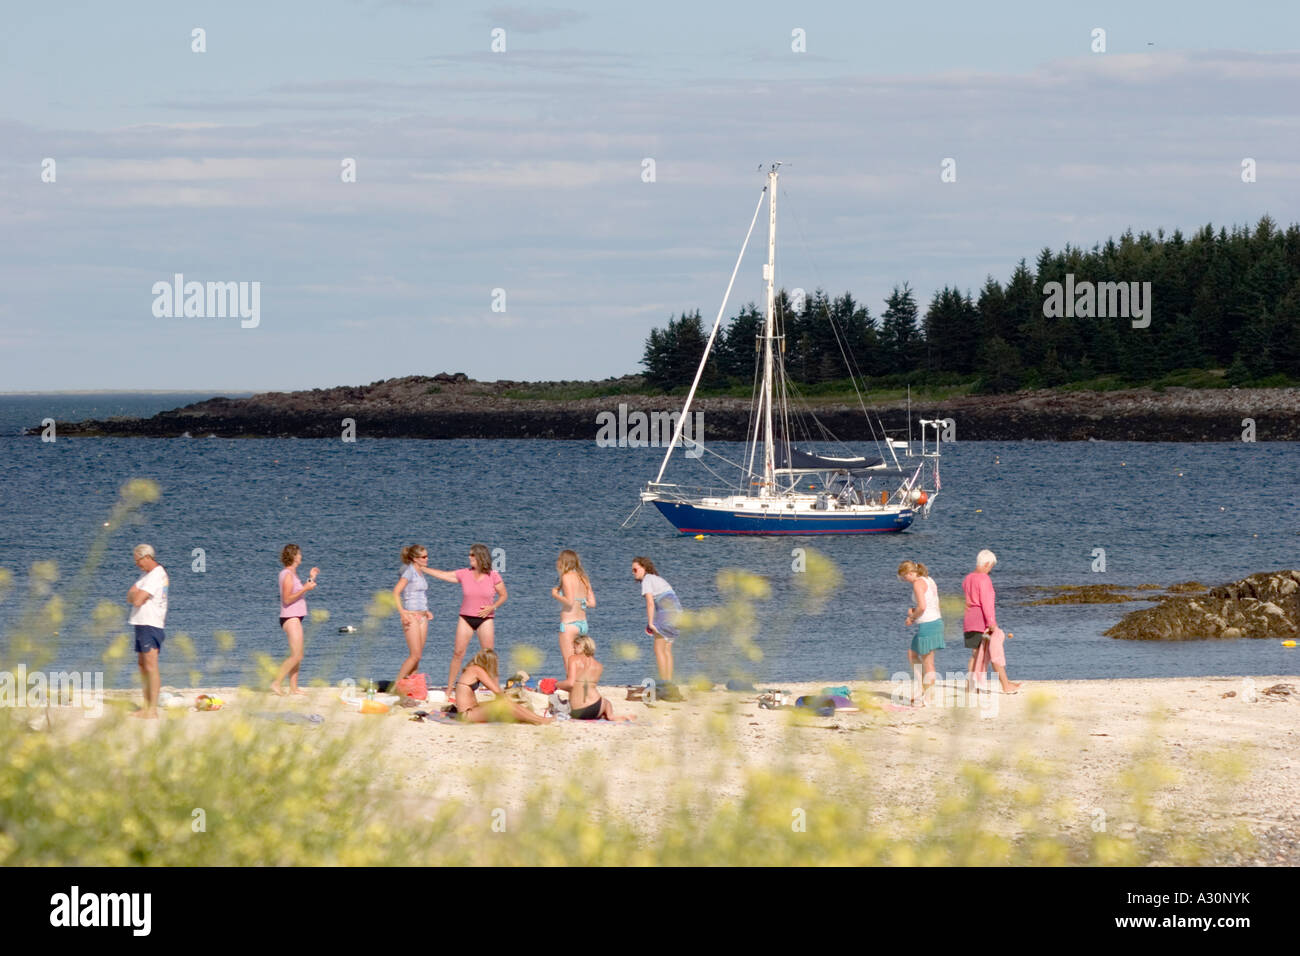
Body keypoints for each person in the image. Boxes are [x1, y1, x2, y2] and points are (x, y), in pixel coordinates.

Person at [423, 544, 506, 695]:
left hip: (485, 619)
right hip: (465, 618)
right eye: (469, 555)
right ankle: (449, 689)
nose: (469, 557)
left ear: (481, 557)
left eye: (472, 555)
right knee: (458, 653)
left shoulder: (493, 575)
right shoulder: (464, 573)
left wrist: (492, 607)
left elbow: (504, 595)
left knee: (489, 656)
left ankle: (496, 690)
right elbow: (444, 575)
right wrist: (423, 568)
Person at [962, 549, 1021, 694]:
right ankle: (1006, 685)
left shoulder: (967, 578)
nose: (990, 570)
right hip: (981, 620)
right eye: (991, 567)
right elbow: (986, 603)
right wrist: (992, 623)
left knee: (975, 654)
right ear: (987, 564)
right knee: (995, 653)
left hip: (969, 619)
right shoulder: (984, 579)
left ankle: (971, 685)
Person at [451, 649, 552, 724]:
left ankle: (538, 719)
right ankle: (539, 720)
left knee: (507, 704)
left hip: (472, 710)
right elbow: (496, 690)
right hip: (468, 714)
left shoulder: (471, 669)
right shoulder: (477, 670)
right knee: (506, 705)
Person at [126, 544, 169, 718]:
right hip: (141, 623)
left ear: (147, 557)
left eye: (138, 561)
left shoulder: (157, 575)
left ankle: (152, 710)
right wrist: (135, 595)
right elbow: (130, 595)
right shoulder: (146, 575)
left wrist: (136, 596)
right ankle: (146, 706)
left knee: (151, 666)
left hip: (151, 624)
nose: (137, 564)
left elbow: (137, 600)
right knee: (142, 666)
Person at [272, 544, 318, 696]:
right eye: (299, 554)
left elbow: (298, 590)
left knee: (299, 654)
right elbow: (287, 599)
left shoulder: (292, 573)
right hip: (289, 617)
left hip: (296, 616)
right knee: (296, 655)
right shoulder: (287, 575)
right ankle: (276, 682)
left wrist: (311, 578)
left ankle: (294, 687)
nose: (301, 556)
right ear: (293, 556)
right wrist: (305, 588)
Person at [899, 560, 943, 705]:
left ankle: (928, 696)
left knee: (928, 662)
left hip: (928, 624)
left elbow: (923, 607)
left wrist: (911, 616)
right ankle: (922, 688)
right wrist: (914, 612)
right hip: (935, 622)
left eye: (904, 577)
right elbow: (931, 603)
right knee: (912, 654)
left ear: (910, 573)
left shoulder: (918, 583)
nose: (904, 580)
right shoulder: (928, 580)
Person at [557, 634, 630, 721]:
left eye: (575, 647)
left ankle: (609, 715)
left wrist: (556, 684)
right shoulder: (599, 666)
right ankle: (610, 716)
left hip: (578, 711)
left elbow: (571, 684)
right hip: (597, 707)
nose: (574, 650)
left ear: (581, 646)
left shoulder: (574, 659)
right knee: (606, 702)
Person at [632, 556, 680, 681]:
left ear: (644, 568)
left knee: (658, 649)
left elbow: (650, 603)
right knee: (667, 650)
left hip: (666, 614)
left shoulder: (647, 580)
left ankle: (664, 682)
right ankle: (669, 681)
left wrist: (651, 623)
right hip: (677, 614)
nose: (633, 573)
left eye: (635, 570)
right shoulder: (657, 579)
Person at [393, 544, 434, 690]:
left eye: (427, 556)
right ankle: (397, 685)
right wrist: (402, 612)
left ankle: (411, 685)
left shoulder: (420, 572)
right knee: (414, 655)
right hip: (411, 615)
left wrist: (426, 610)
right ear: (415, 559)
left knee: (419, 656)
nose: (427, 559)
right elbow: (396, 592)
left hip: (422, 615)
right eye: (424, 557)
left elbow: (420, 594)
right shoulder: (409, 572)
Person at [552, 549, 596, 665]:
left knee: (569, 663)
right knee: (581, 662)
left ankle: (571, 683)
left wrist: (556, 595)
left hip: (569, 625)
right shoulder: (583, 578)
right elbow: (592, 603)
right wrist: (582, 602)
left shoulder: (566, 577)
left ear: (564, 562)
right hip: (583, 624)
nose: (557, 563)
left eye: (559, 560)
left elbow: (569, 601)